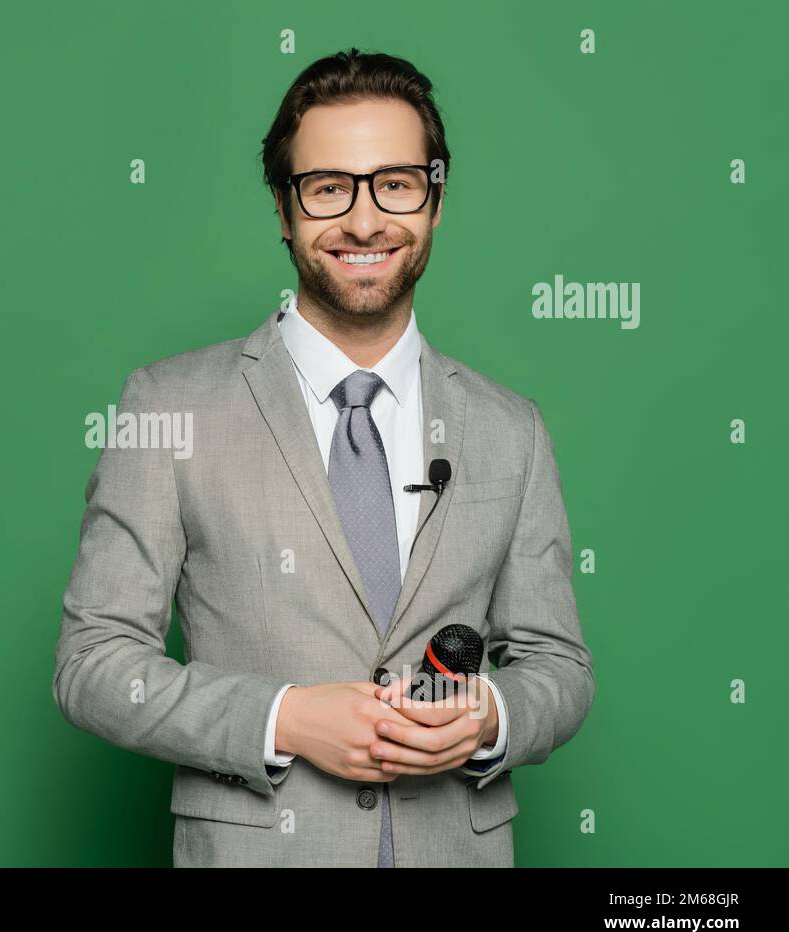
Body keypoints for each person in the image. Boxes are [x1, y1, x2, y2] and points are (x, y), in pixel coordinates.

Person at [53, 49, 594, 867]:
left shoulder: (511, 428)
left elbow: (558, 666)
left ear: (435, 199)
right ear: (283, 208)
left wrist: (489, 716)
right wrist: (286, 719)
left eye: (397, 183)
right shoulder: (166, 406)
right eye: (329, 187)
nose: (366, 219)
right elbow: (92, 663)